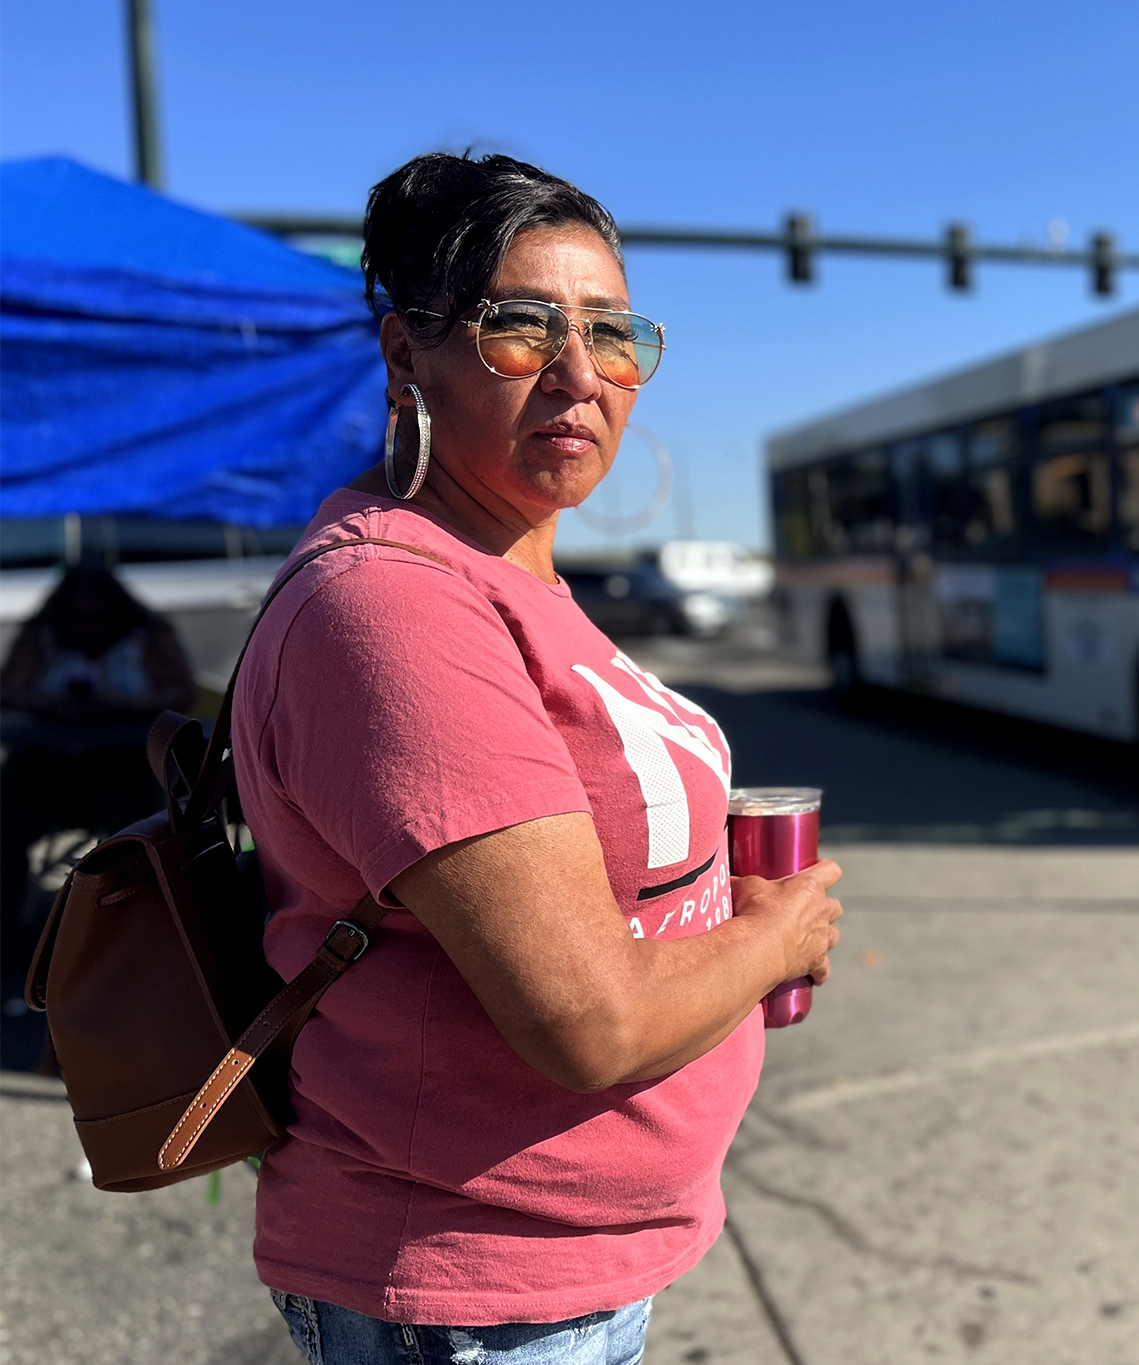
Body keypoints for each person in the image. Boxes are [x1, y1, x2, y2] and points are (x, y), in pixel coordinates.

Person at [232, 152, 842, 1364]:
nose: (580, 374)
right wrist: (778, 935)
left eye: (614, 336)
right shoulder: (396, 607)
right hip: (474, 1293)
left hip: (566, 1274)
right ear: (408, 355)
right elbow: (590, 1025)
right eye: (520, 328)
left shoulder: (507, 569)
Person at [0, 564, 196, 982]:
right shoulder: (42, 636)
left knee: (138, 840)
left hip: (122, 764)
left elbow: (183, 692)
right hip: (47, 766)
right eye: (78, 618)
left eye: (99, 618)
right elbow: (9, 689)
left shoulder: (148, 635)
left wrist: (123, 704)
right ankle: (15, 946)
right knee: (6, 832)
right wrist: (52, 704)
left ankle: (136, 940)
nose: (88, 628)